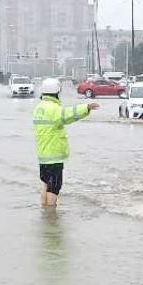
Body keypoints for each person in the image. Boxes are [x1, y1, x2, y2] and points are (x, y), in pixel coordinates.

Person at [32, 78, 98, 207]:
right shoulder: (53, 108)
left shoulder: (39, 108)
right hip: (54, 155)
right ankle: (51, 214)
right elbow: (68, 114)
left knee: (46, 183)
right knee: (55, 186)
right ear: (56, 91)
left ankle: (44, 209)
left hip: (43, 155)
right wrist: (86, 107)